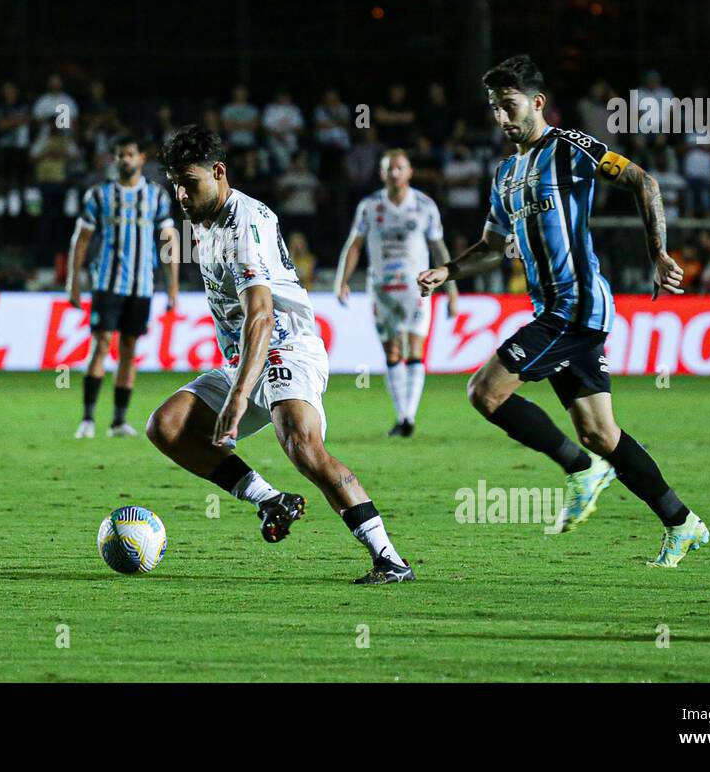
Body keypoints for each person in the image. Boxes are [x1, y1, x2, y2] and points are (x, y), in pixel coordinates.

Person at [418, 55, 709, 568]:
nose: (502, 119)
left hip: (574, 308)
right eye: (494, 109)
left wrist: (659, 252)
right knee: (601, 432)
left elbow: (644, 181)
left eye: (509, 106)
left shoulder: (568, 147)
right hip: (557, 310)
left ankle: (580, 469)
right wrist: (448, 271)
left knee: (484, 392)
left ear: (536, 103)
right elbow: (492, 244)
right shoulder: (506, 173)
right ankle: (681, 522)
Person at [146, 125, 413, 584]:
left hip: (286, 347)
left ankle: (389, 558)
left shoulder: (244, 224)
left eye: (189, 182)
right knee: (167, 426)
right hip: (245, 359)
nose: (182, 195)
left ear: (219, 172)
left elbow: (262, 317)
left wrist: (237, 397)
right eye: (175, 184)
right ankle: (271, 499)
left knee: (302, 445)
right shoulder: (203, 222)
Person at [336, 149, 457, 437]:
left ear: (410, 172)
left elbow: (439, 249)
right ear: (382, 174)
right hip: (381, 288)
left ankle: (409, 417)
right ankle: (402, 415)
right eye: (389, 169)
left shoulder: (425, 206)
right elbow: (354, 244)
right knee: (392, 351)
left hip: (417, 288)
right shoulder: (369, 206)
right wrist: (342, 279)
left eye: (399, 168)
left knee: (415, 349)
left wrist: (451, 288)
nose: (394, 173)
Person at [68, 134, 180, 438]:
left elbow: (169, 239)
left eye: (129, 154)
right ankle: (88, 418)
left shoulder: (157, 196)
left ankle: (118, 421)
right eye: (119, 155)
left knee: (129, 350)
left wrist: (172, 287)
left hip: (142, 286)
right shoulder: (99, 195)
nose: (124, 160)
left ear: (142, 158)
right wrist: (73, 283)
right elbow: (81, 240)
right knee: (101, 344)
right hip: (107, 283)